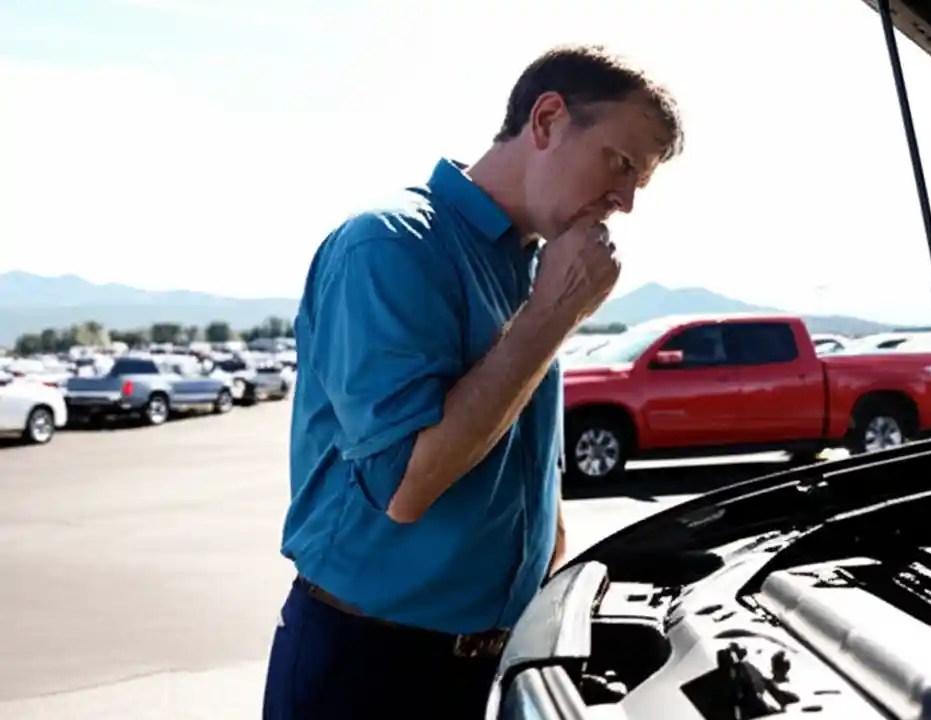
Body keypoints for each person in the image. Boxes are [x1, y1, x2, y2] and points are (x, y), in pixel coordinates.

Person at [261, 44, 683, 720]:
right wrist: (552, 315)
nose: (625, 201)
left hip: (493, 665)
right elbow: (406, 485)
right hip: (371, 670)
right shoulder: (392, 246)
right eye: (621, 163)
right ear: (546, 120)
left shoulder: (529, 266)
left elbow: (519, 457)